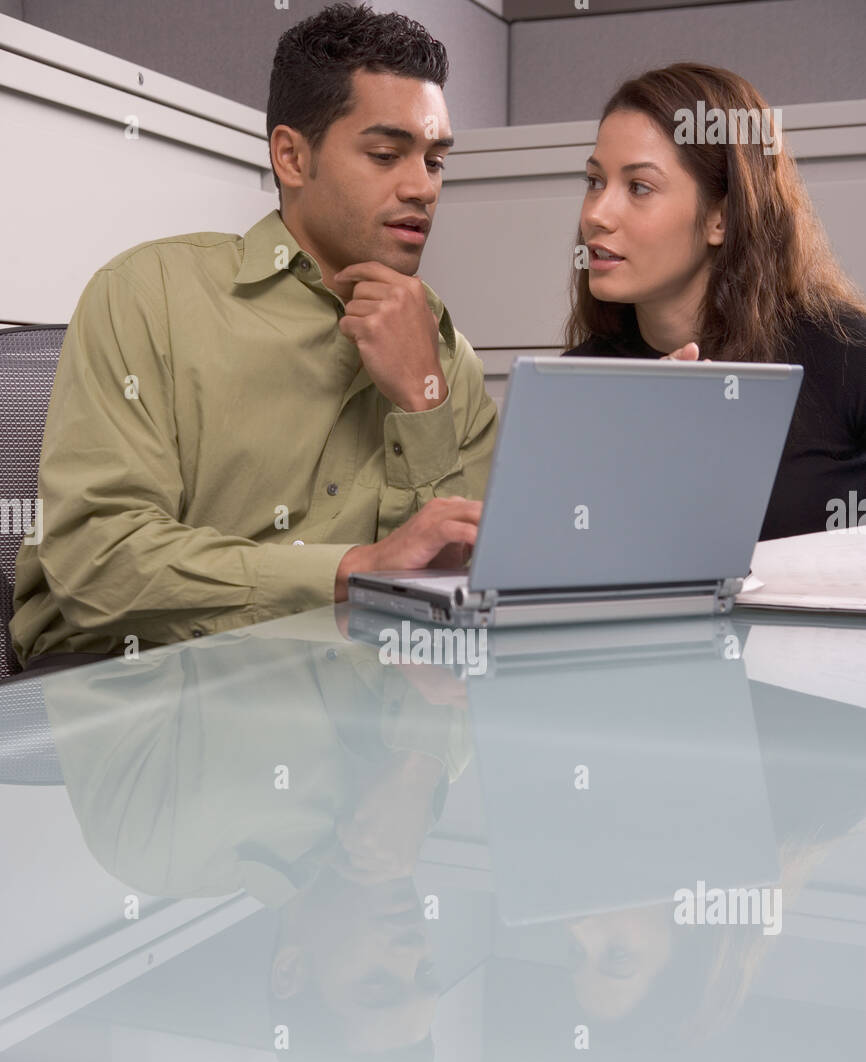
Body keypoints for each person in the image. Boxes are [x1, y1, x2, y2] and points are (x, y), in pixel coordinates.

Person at [11, 3, 497, 674]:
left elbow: (459, 595)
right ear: (292, 157)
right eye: (386, 155)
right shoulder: (147, 294)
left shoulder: (447, 358)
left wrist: (424, 403)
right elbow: (99, 561)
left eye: (435, 162)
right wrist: (351, 571)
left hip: (357, 714)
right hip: (135, 691)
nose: (421, 188)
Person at [562, 62, 866, 541]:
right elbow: (554, 571)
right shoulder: (574, 385)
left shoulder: (849, 354)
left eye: (638, 187)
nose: (597, 214)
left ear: (721, 218)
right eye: (595, 181)